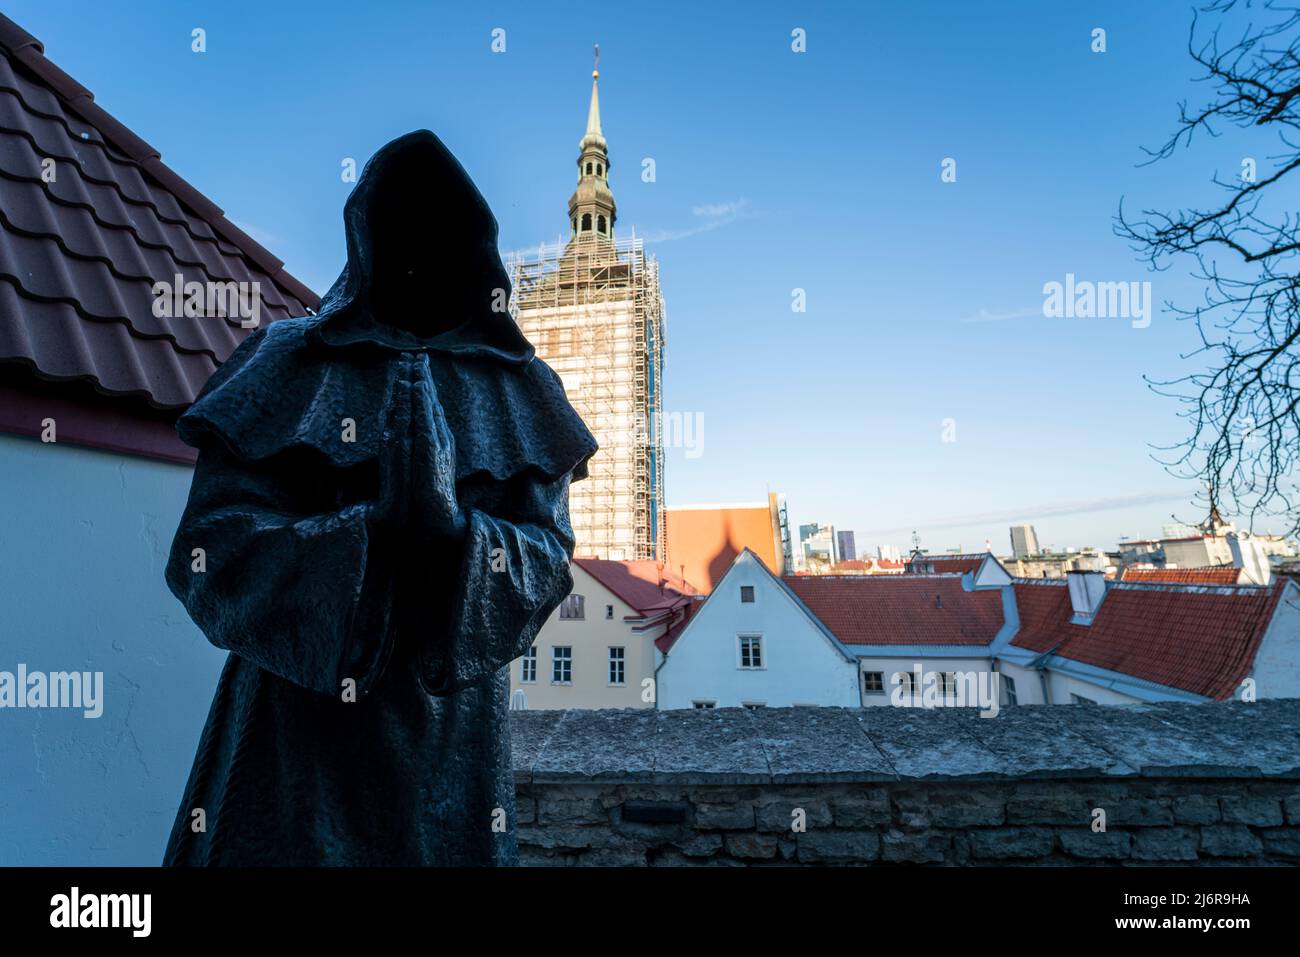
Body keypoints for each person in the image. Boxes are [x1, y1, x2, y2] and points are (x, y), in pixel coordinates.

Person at [162, 130, 596, 865]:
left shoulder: (522, 390)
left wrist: (457, 537)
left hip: (450, 751)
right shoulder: (286, 362)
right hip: (291, 755)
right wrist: (366, 534)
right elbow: (208, 552)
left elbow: (547, 559)